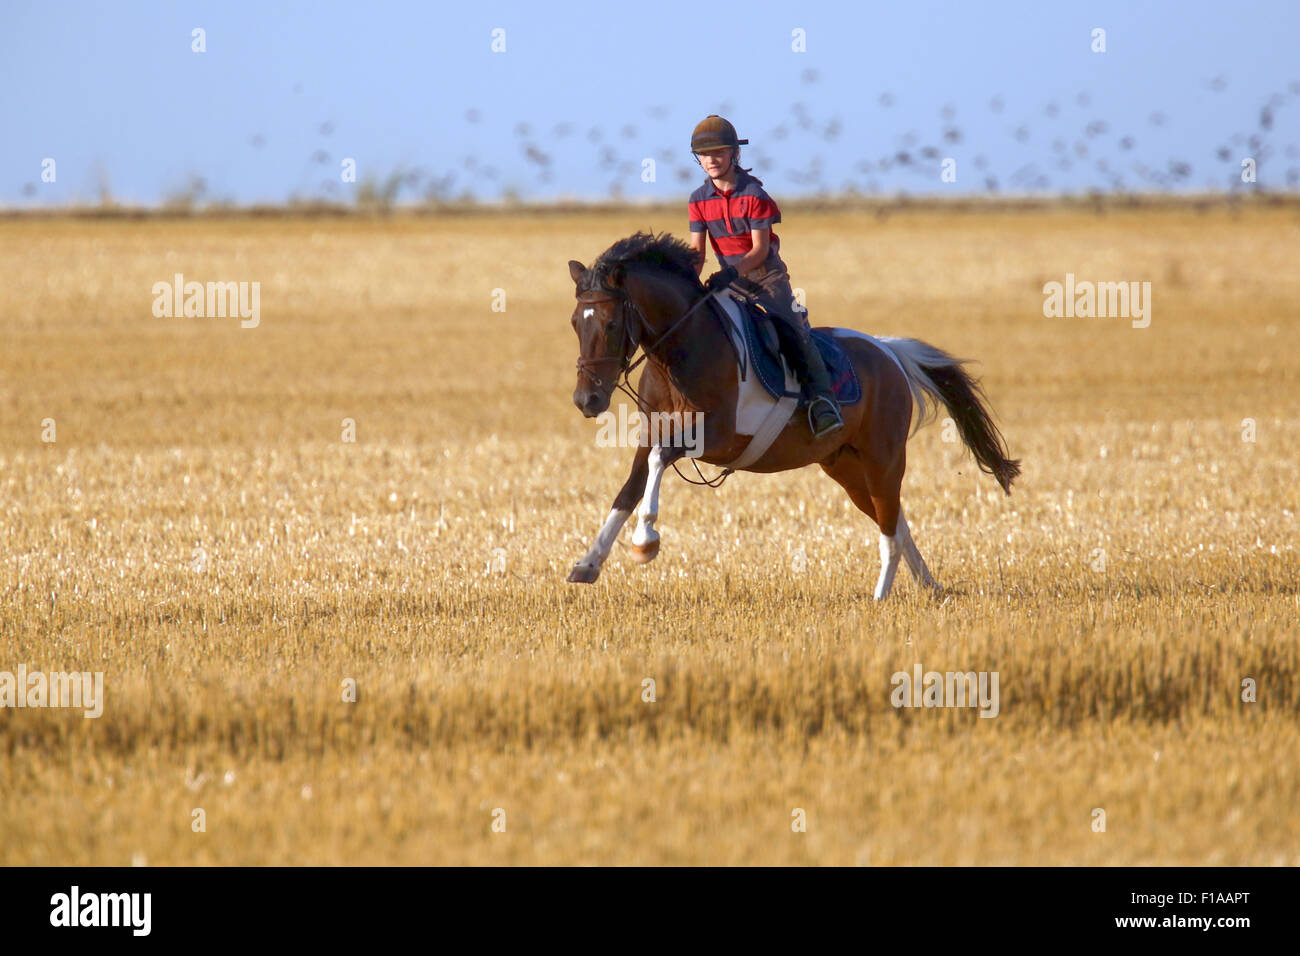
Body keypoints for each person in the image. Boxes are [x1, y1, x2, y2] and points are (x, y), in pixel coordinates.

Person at [686, 114, 844, 438]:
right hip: (727, 281)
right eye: (704, 155)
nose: (711, 160)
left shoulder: (755, 195)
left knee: (792, 328)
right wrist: (689, 281)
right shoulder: (697, 200)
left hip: (765, 278)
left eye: (718, 152)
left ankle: (822, 401)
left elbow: (759, 251)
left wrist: (730, 272)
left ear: (734, 154)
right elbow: (697, 253)